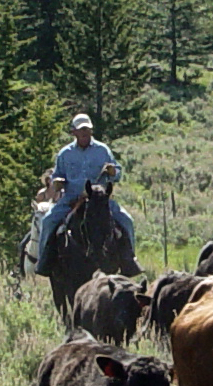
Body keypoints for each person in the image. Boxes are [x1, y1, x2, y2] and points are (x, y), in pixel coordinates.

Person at [34, 114, 140, 276]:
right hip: (72, 198)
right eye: (82, 130)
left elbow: (116, 172)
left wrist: (113, 172)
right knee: (48, 220)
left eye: (88, 130)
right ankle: (44, 261)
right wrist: (57, 182)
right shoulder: (65, 153)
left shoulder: (102, 150)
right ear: (74, 132)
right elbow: (57, 175)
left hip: (99, 198)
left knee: (126, 220)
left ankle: (129, 260)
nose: (85, 133)